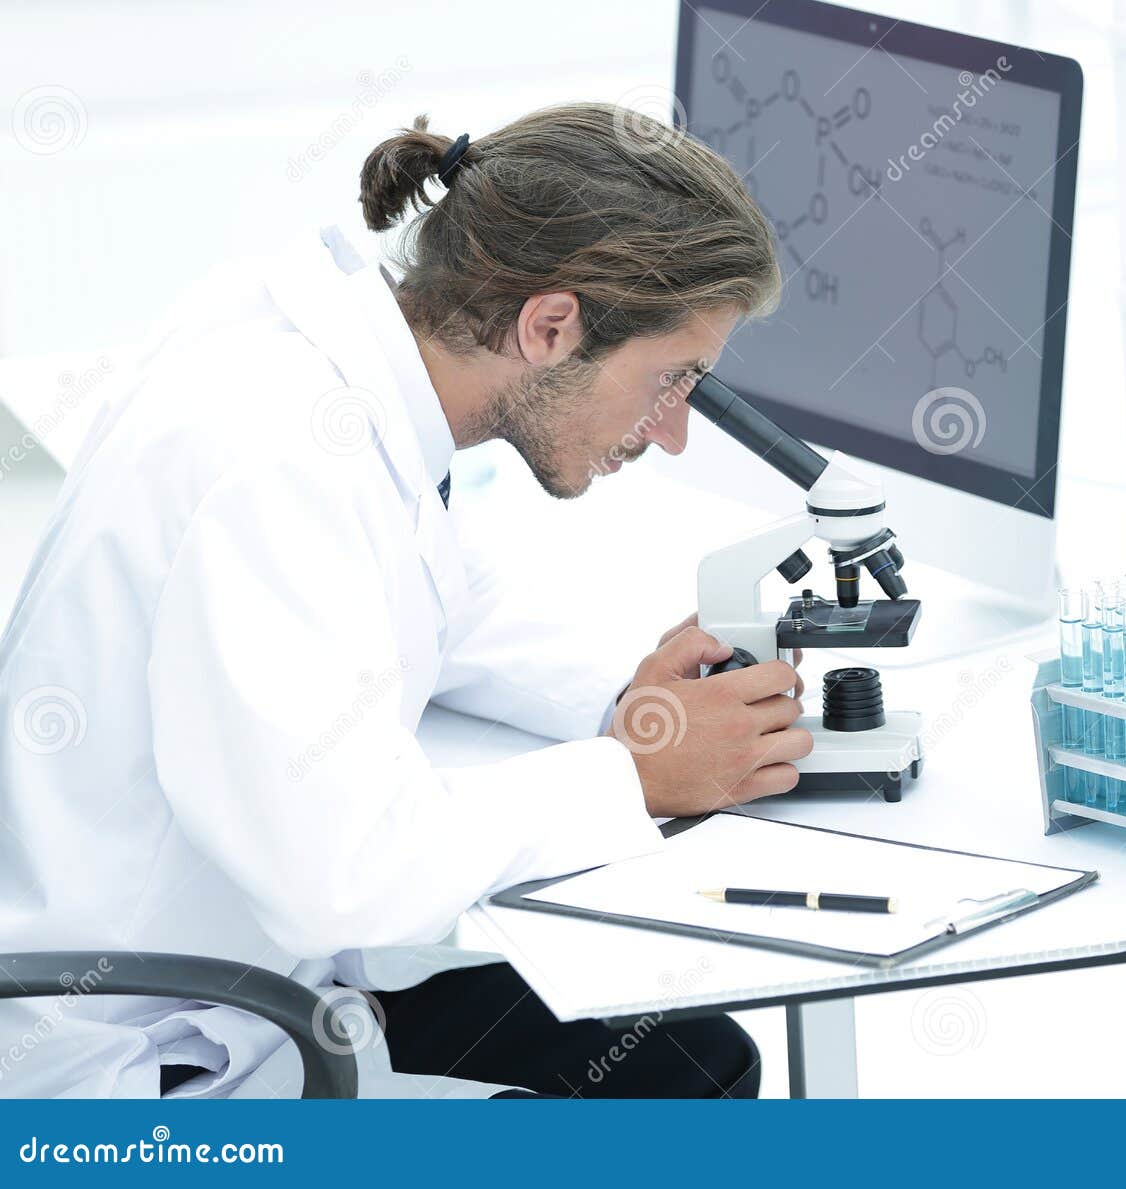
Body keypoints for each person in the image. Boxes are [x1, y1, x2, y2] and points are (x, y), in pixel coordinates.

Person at [0, 103, 810, 1098]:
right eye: (669, 379)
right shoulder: (280, 458)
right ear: (550, 324)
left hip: (246, 973)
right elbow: (342, 878)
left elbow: (432, 587)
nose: (671, 431)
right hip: (149, 1069)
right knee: (672, 1091)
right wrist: (630, 773)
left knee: (692, 1053)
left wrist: (622, 691)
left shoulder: (333, 364)